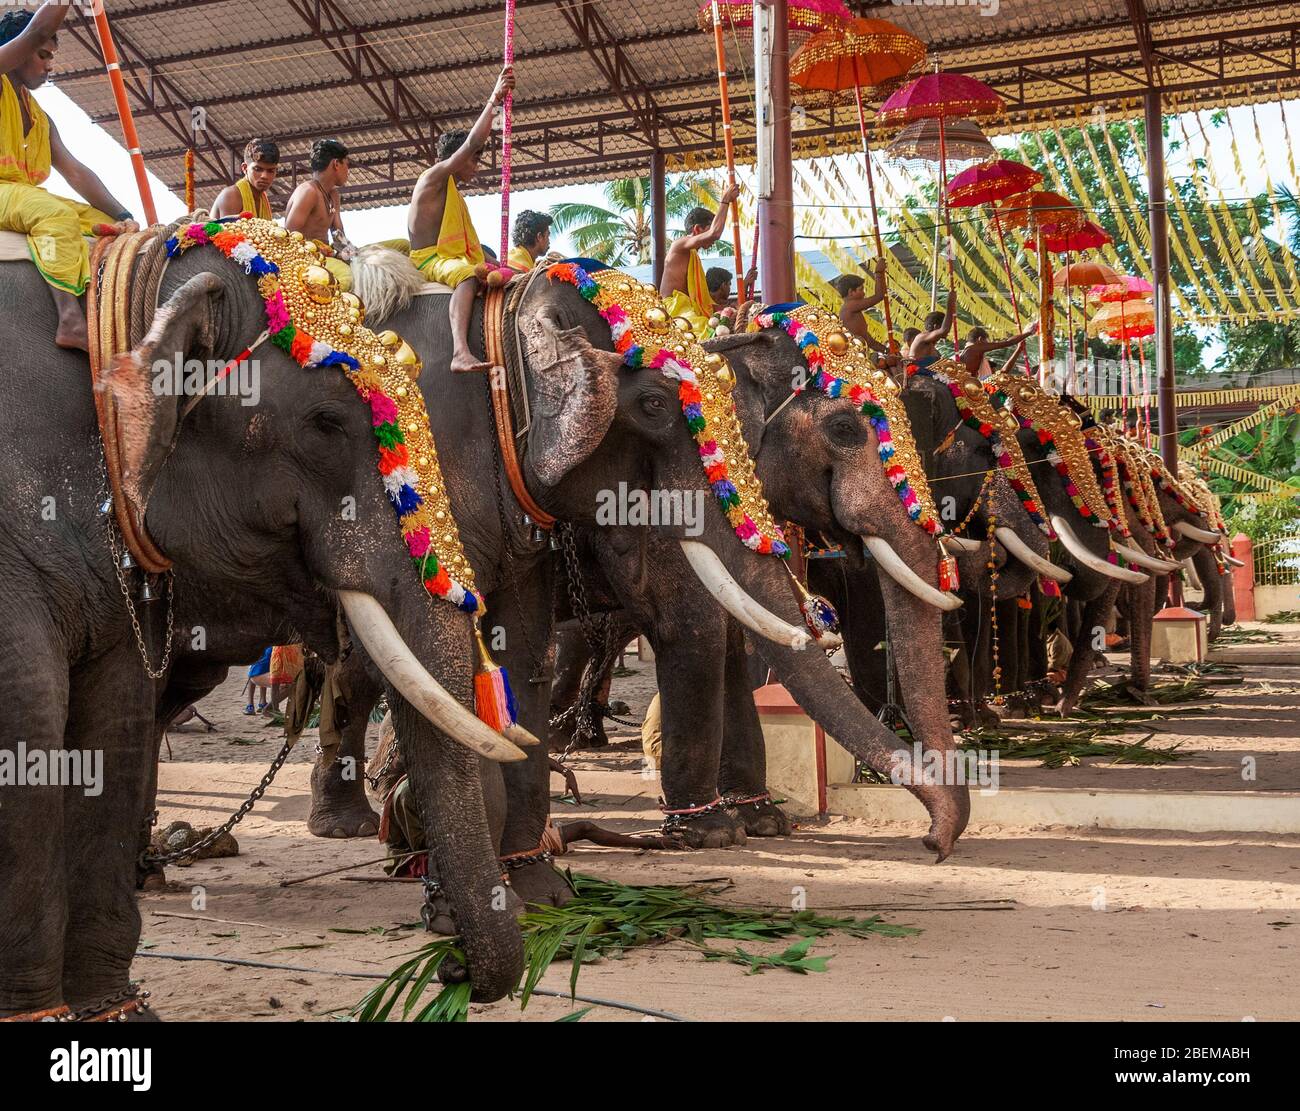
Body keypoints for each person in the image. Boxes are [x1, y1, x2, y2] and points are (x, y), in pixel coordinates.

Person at [0, 4, 139, 350]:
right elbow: (34, 32)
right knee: (55, 215)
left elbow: (76, 172)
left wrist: (124, 215)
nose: (49, 65)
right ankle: (70, 321)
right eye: (43, 55)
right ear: (17, 51)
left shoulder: (41, 117)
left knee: (105, 225)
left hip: (21, 195)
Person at [408, 66, 514, 374]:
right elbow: (470, 143)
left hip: (445, 257)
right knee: (468, 275)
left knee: (495, 263)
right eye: (475, 158)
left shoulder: (452, 189)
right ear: (456, 158)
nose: (477, 166)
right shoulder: (434, 177)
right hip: (428, 261)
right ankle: (460, 352)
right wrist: (496, 96)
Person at [658, 186, 741, 334]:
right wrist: (725, 200)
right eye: (708, 228)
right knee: (708, 334)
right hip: (675, 310)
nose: (714, 241)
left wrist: (732, 310)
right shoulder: (679, 245)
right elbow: (715, 234)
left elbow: (703, 302)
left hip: (688, 310)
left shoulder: (694, 256)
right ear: (697, 229)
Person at [284, 138, 352, 289]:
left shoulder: (333, 195)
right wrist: (322, 250)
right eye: (347, 165)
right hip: (306, 260)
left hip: (329, 257)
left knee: (400, 245)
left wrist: (354, 254)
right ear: (336, 164)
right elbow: (288, 237)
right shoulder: (308, 191)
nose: (348, 171)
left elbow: (339, 235)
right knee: (348, 277)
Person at [210, 138, 279, 221]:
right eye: (258, 169)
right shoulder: (232, 195)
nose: (264, 176)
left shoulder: (263, 199)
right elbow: (228, 233)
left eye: (270, 171)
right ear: (245, 168)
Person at [832, 261, 890, 352]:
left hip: (861, 353)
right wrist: (879, 273)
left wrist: (887, 351)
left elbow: (870, 342)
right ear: (851, 292)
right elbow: (879, 296)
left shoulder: (853, 308)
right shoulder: (850, 306)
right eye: (861, 289)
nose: (864, 293)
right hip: (854, 355)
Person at [958, 321, 1039, 378]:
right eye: (986, 341)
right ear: (980, 339)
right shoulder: (973, 349)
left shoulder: (969, 351)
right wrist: (1029, 332)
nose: (988, 344)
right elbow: (1008, 342)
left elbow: (1002, 372)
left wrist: (1019, 349)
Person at [906, 289, 957, 369]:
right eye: (943, 325)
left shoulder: (934, 349)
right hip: (918, 376)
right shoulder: (922, 337)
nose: (948, 332)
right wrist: (950, 303)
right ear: (936, 326)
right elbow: (944, 330)